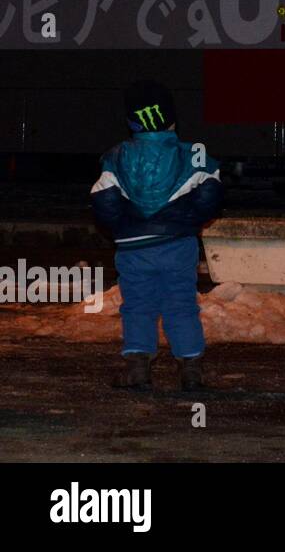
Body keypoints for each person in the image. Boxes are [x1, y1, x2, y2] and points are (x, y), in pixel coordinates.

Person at [90, 81, 223, 392]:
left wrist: (124, 228)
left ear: (131, 121)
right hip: (177, 244)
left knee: (137, 305)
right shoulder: (194, 153)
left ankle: (137, 369)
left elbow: (103, 201)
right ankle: (190, 371)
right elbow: (211, 195)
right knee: (180, 303)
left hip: (133, 248)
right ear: (172, 119)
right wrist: (186, 220)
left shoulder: (116, 156)